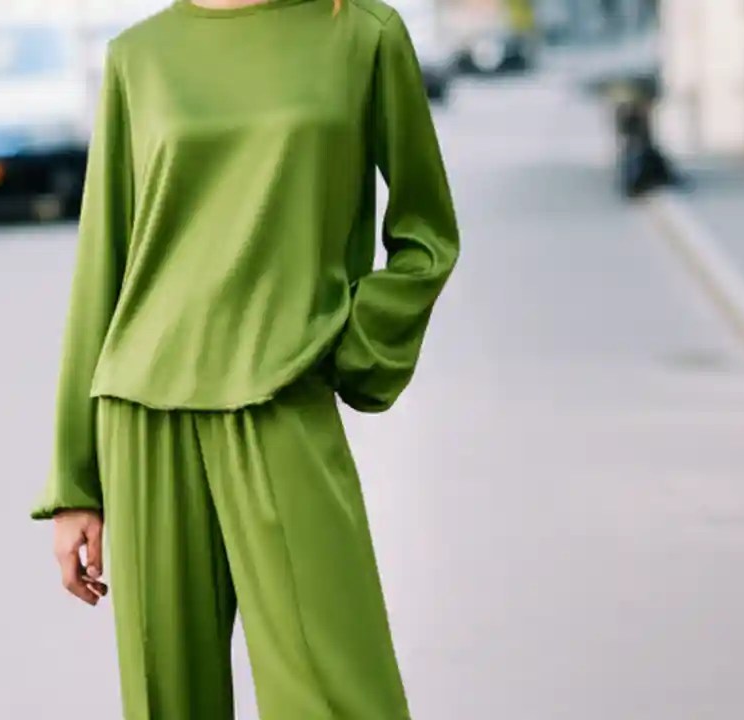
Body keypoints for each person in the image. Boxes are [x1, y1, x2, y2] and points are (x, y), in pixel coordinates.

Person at [31, 0, 459, 716]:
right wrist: (75, 483)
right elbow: (102, 267)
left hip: (284, 401)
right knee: (170, 701)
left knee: (336, 698)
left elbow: (427, 234)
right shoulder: (139, 57)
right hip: (144, 417)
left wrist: (352, 345)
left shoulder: (361, 34)